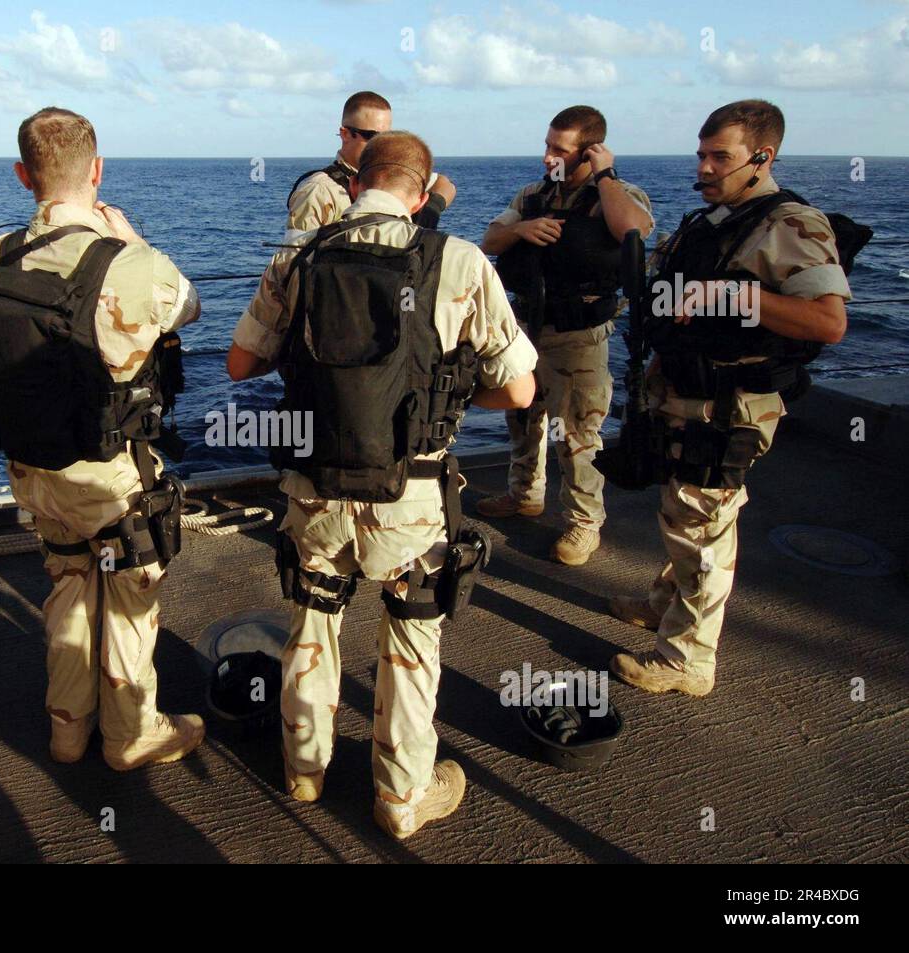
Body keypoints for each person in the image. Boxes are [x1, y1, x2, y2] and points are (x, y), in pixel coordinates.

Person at [229, 131, 537, 839]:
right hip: (412, 493)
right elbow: (520, 390)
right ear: (422, 194)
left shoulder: (299, 254)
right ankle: (401, 797)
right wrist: (455, 402)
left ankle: (304, 769)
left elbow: (242, 363)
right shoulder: (457, 260)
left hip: (315, 486)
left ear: (355, 179)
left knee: (312, 622)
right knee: (410, 640)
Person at [0, 107, 205, 770]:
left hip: (33, 464)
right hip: (109, 469)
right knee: (130, 596)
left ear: (24, 175)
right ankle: (131, 735)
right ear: (97, 171)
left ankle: (67, 729)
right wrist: (130, 239)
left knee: (69, 580)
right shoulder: (131, 264)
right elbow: (187, 305)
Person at [608, 99, 851, 696]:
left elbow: (828, 322)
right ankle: (667, 600)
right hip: (681, 392)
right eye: (701, 154)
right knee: (683, 512)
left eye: (722, 156)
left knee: (706, 523)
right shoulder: (707, 224)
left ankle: (688, 658)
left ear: (761, 157)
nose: (707, 166)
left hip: (730, 405)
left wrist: (734, 296)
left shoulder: (792, 224)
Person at [478, 106, 654, 566]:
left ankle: (583, 522)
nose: (547, 156)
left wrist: (607, 175)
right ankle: (524, 493)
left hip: (576, 337)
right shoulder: (533, 195)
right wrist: (521, 228)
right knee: (522, 418)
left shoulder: (618, 194)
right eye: (547, 145)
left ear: (588, 152)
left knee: (575, 435)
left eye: (559, 149)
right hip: (524, 328)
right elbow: (490, 242)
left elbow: (632, 230)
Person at [286, 90, 457, 233]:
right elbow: (293, 259)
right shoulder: (319, 191)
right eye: (372, 137)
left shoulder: (391, 177)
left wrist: (432, 207)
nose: (382, 145)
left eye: (387, 137)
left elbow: (444, 184)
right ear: (345, 134)